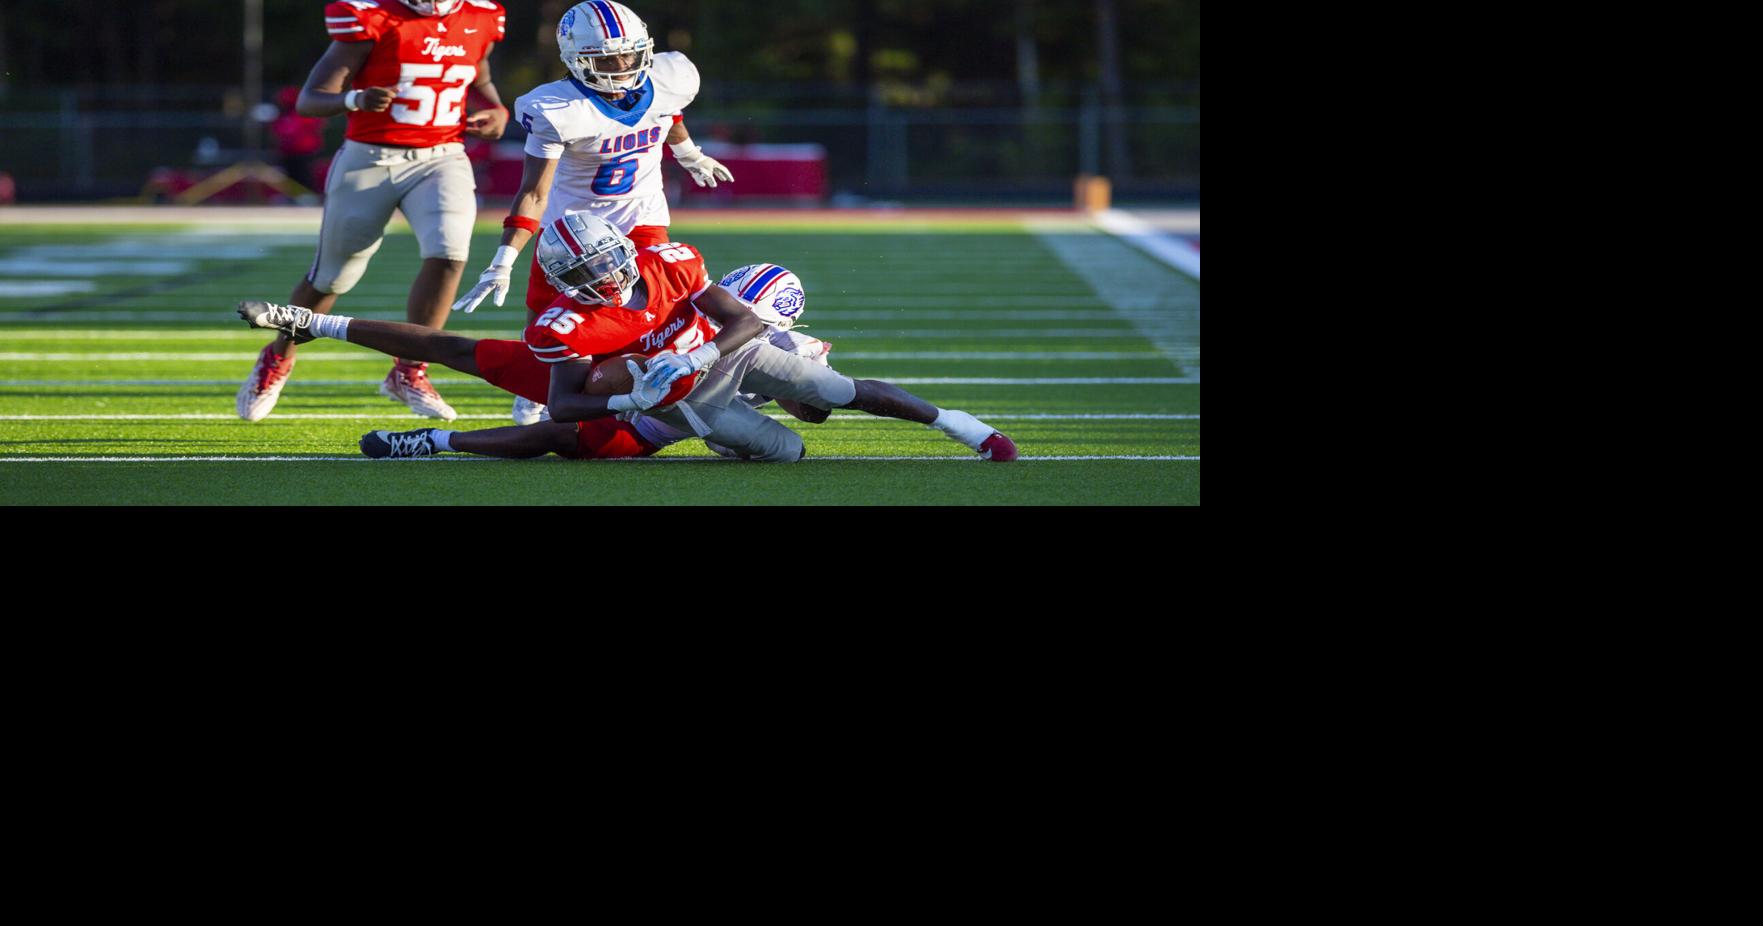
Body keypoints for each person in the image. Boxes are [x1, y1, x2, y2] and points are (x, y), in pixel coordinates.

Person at [235, 216, 1018, 463]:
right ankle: (317, 325)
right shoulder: (563, 322)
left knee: (820, 410)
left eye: (610, 266)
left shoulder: (673, 266)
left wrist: (695, 360)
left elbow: (754, 336)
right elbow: (568, 400)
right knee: (468, 356)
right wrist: (637, 388)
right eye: (587, 275)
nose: (607, 281)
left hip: (701, 380)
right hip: (634, 385)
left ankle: (966, 428)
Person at [450, 1, 733, 426]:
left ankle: (646, 382)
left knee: (650, 307)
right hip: (572, 230)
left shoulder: (669, 77)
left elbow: (668, 111)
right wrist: (503, 260)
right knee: (545, 319)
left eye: (630, 56)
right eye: (606, 60)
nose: (622, 68)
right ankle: (539, 386)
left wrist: (689, 152)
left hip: (641, 217)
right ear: (575, 60)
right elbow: (534, 192)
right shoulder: (556, 109)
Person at [237, 0, 511, 423]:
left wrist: (497, 109)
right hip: (370, 159)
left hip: (443, 156)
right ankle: (278, 356)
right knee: (332, 277)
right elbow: (310, 100)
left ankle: (410, 370)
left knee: (449, 254)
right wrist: (355, 98)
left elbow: (482, 77)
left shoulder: (481, 17)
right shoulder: (376, 19)